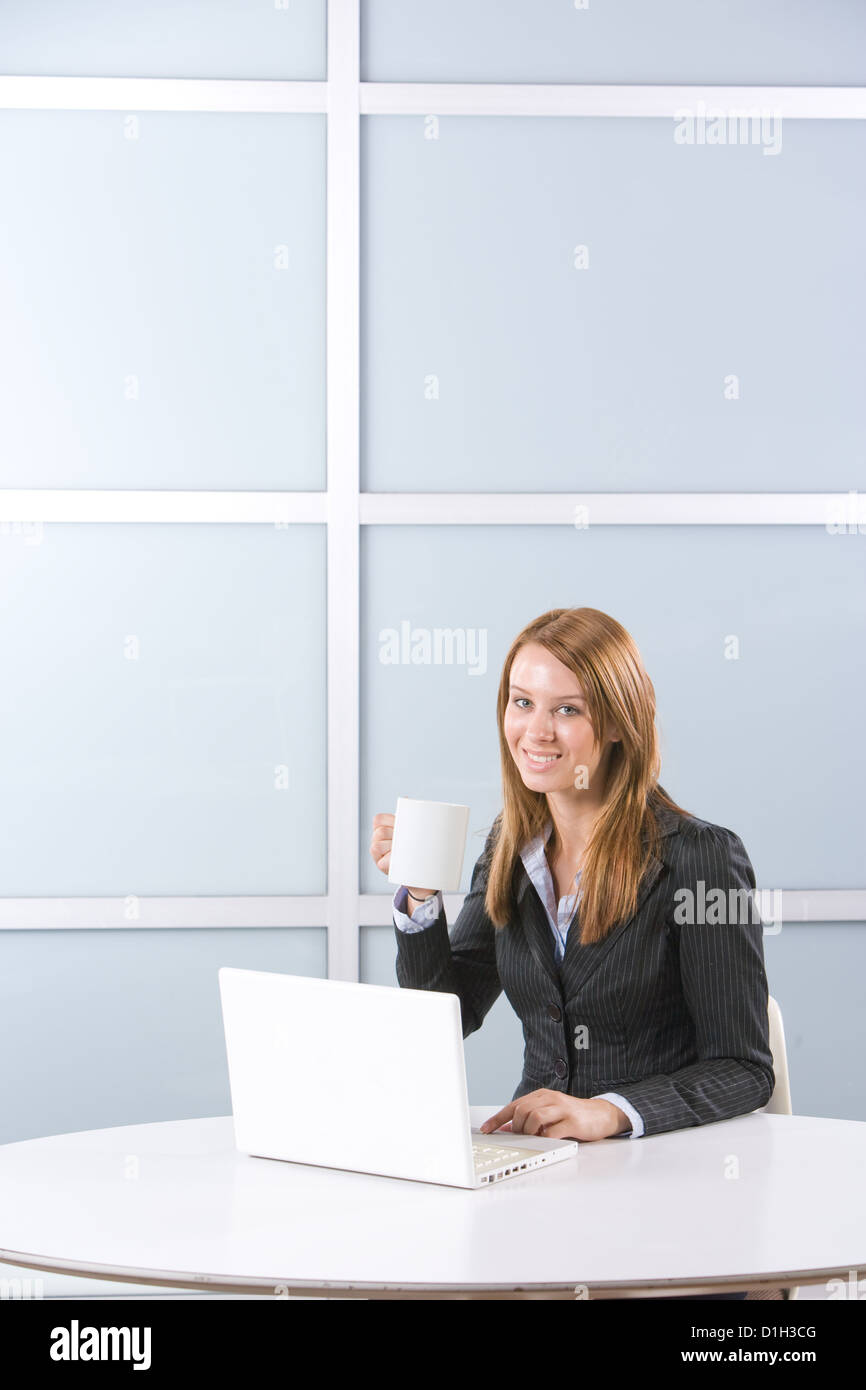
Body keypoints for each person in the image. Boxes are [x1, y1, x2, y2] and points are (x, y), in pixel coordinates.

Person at [370, 606, 776, 1302]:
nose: (536, 730)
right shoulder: (510, 846)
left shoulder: (701, 858)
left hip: (668, 1195)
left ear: (616, 723)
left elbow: (744, 1068)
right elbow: (448, 1010)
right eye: (522, 702)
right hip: (538, 1184)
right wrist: (418, 898)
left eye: (567, 710)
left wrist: (610, 1110)